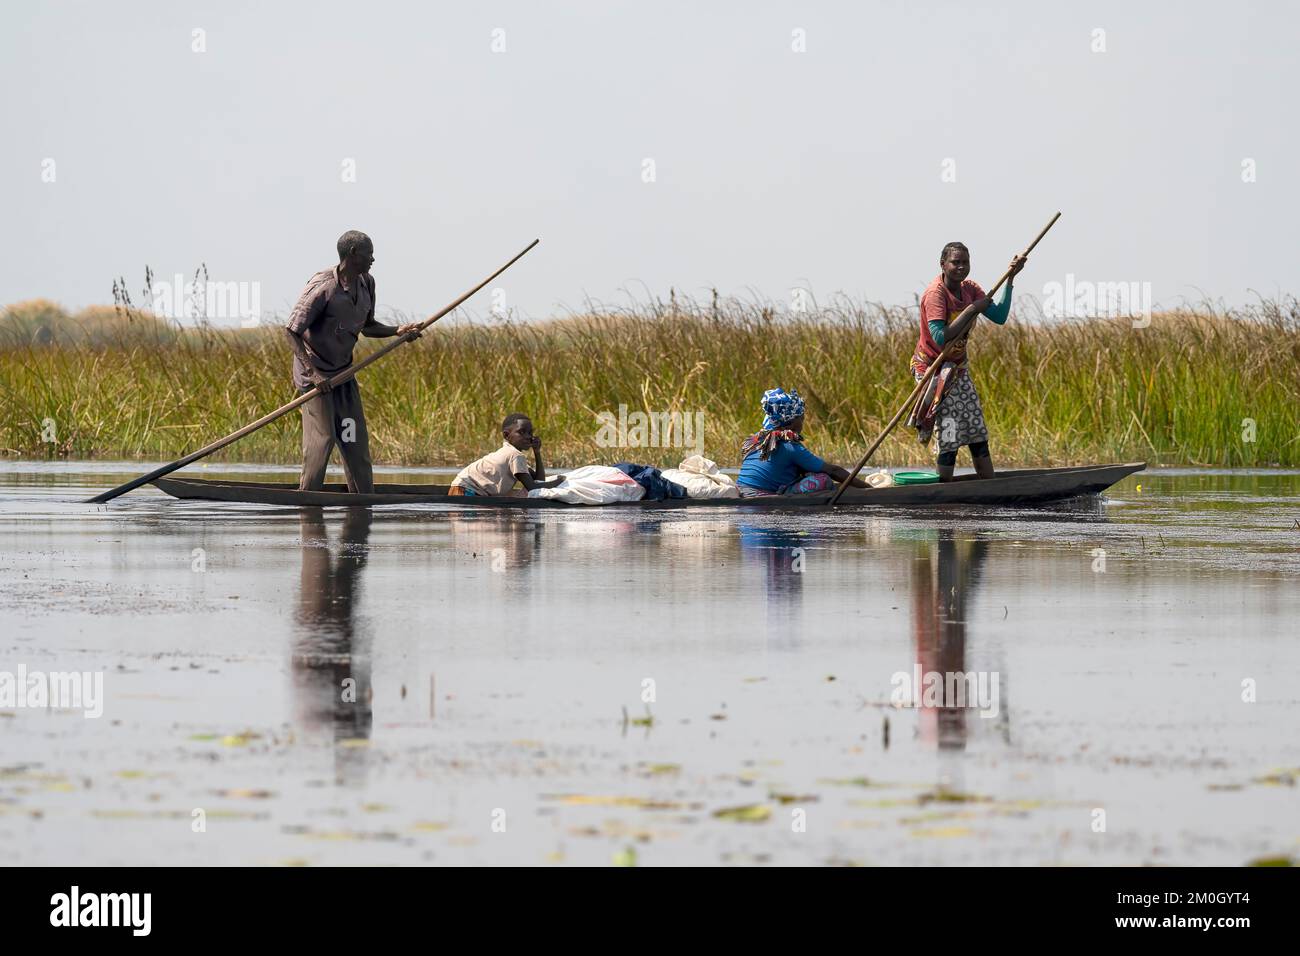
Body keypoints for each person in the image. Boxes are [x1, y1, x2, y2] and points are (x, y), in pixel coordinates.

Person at [284, 230, 423, 493]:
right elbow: (291, 331)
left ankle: (362, 500)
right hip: (316, 376)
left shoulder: (367, 283)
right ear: (352, 254)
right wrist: (314, 376)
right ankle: (308, 499)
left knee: (353, 437)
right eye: (368, 253)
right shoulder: (324, 287)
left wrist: (399, 331)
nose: (373, 259)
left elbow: (368, 327)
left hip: (343, 373)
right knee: (323, 438)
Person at [910, 242, 1026, 481]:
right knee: (950, 429)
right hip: (933, 369)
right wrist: (972, 309)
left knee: (976, 429)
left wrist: (1010, 279)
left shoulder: (971, 289)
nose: (961, 267)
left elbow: (999, 316)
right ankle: (945, 488)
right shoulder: (936, 294)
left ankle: (989, 486)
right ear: (943, 265)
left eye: (965, 262)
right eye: (956, 262)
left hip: (958, 369)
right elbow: (942, 338)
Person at [736, 388, 870, 497]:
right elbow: (833, 470)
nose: (803, 422)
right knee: (823, 479)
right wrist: (869, 489)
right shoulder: (790, 447)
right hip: (763, 496)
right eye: (802, 418)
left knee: (809, 473)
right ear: (793, 423)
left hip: (741, 491)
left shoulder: (755, 440)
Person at [449, 413, 564, 497]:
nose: (528, 436)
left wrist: (537, 452)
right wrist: (559, 482)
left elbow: (539, 481)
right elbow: (533, 488)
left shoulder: (511, 455)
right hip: (465, 492)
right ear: (506, 435)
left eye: (530, 433)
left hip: (460, 489)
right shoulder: (515, 455)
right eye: (521, 432)